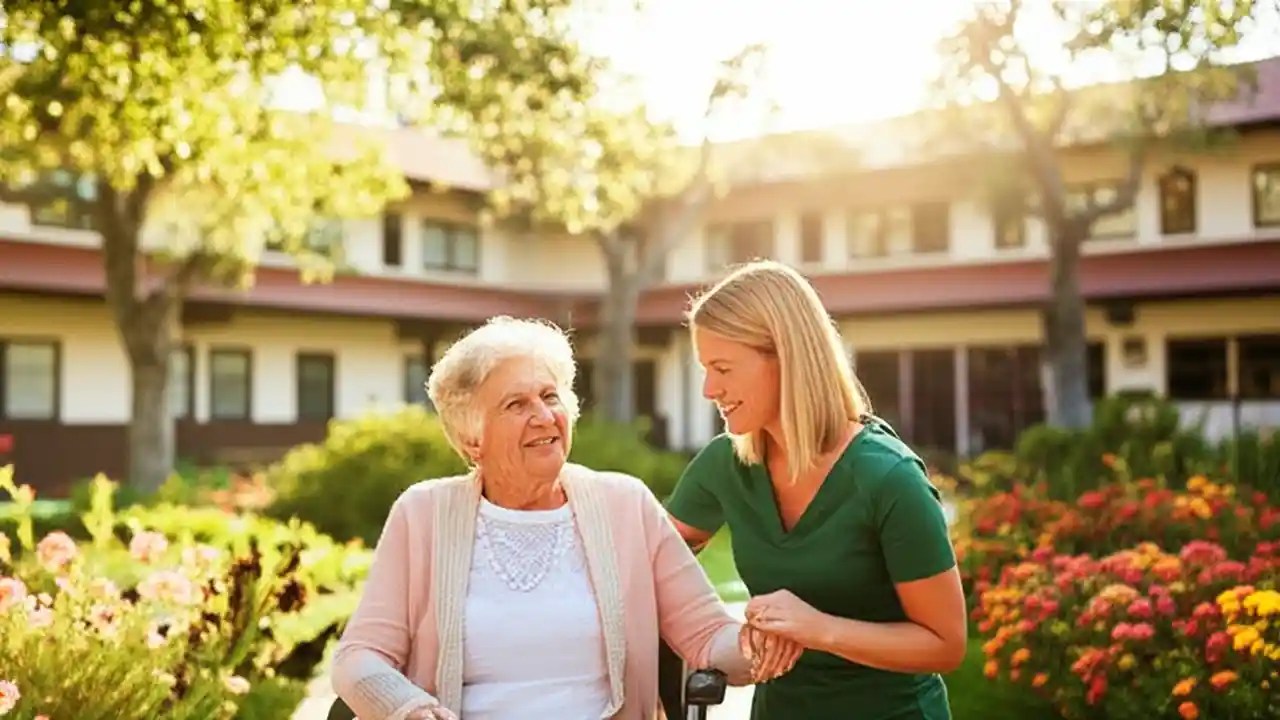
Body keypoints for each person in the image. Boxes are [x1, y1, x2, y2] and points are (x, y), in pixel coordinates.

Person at [330, 316, 799, 720]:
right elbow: (359, 656)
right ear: (472, 440)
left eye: (550, 397)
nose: (543, 416)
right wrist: (407, 707)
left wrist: (761, 644)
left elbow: (706, 634)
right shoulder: (423, 514)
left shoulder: (624, 505)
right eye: (516, 405)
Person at [665, 260, 967, 719]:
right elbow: (648, 567)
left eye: (722, 368)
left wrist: (818, 629)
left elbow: (945, 644)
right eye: (705, 368)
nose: (709, 389)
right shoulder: (724, 466)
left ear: (784, 357)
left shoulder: (889, 478)